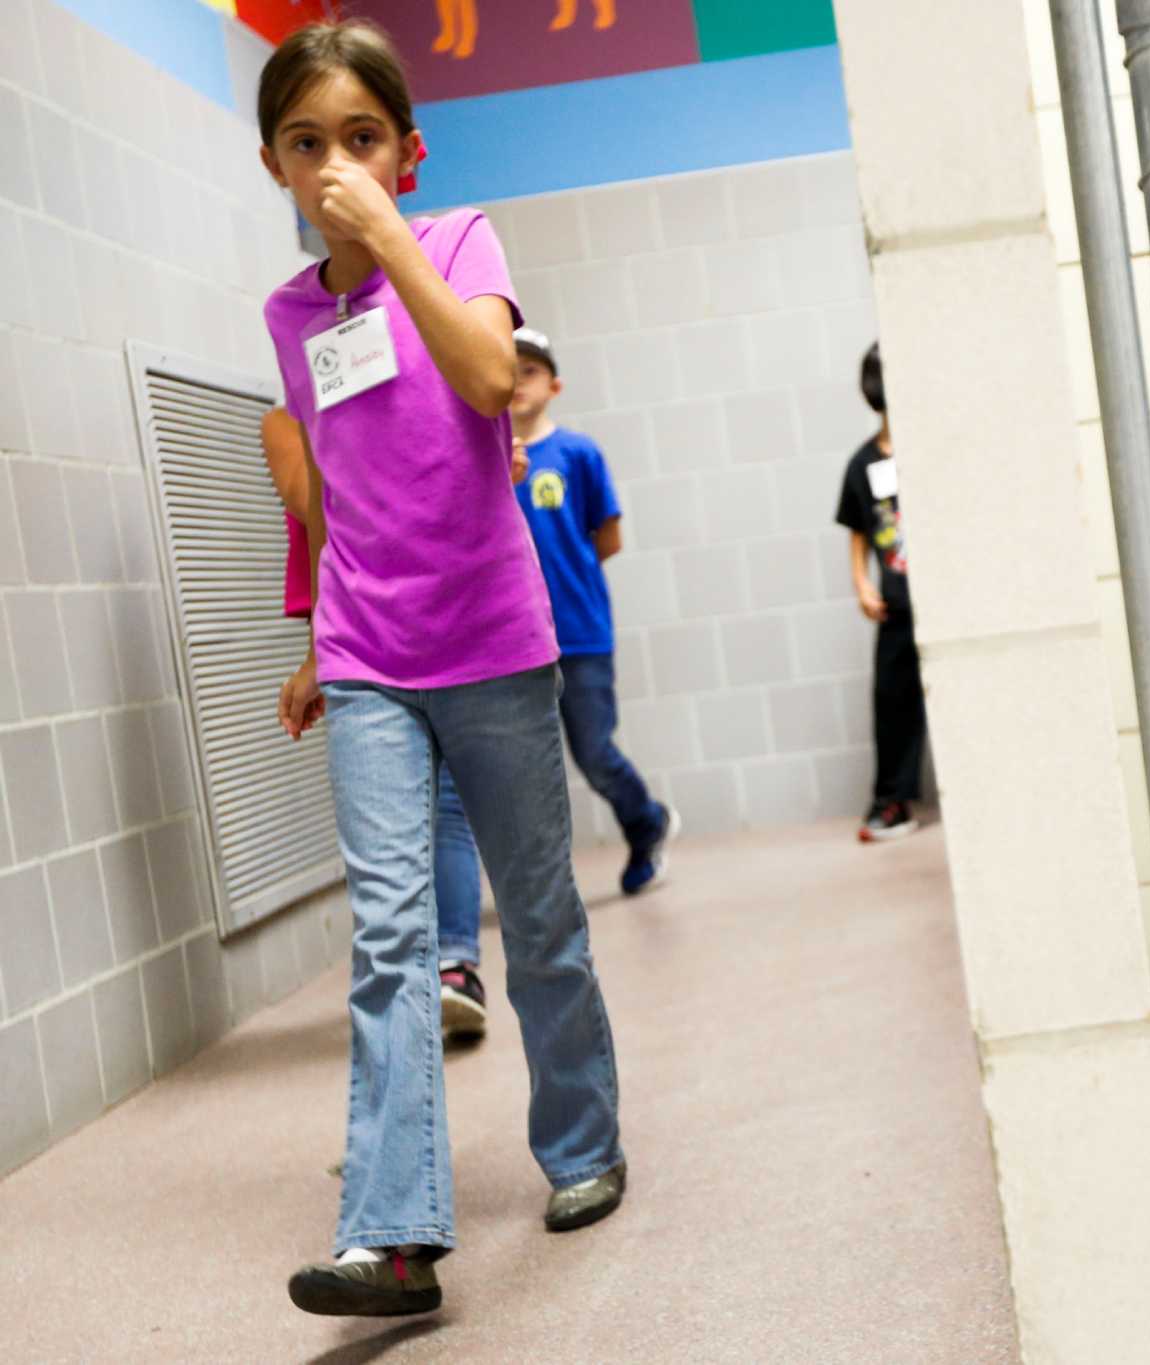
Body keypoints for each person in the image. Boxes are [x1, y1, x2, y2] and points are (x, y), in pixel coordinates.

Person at [257, 20, 626, 1318]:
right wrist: (312, 642)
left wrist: (393, 241)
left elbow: (484, 380)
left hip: (493, 645)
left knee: (538, 923)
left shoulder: (460, 241)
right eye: (308, 144)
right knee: (396, 941)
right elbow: (331, 492)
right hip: (368, 657)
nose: (334, 164)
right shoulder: (289, 315)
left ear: (406, 156)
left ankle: (583, 1145)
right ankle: (396, 1236)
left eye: (361, 138)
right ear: (274, 166)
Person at [262, 407, 495, 1043]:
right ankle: (403, 988)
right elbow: (306, 497)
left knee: (449, 804)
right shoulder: (287, 420)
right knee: (384, 828)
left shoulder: (422, 389)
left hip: (442, 613)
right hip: (356, 639)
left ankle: (454, 966)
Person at [507, 327, 673, 894]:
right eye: (506, 370)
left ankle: (645, 821)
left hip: (580, 633)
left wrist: (565, 577)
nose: (515, 381)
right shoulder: (491, 459)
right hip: (513, 640)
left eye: (528, 371)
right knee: (528, 768)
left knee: (594, 751)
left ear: (554, 384)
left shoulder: (577, 453)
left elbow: (609, 538)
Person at [834, 343, 925, 842]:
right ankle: (892, 802)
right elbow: (858, 534)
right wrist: (862, 584)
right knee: (892, 703)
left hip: (942, 601)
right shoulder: (863, 464)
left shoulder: (930, 451)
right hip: (896, 603)